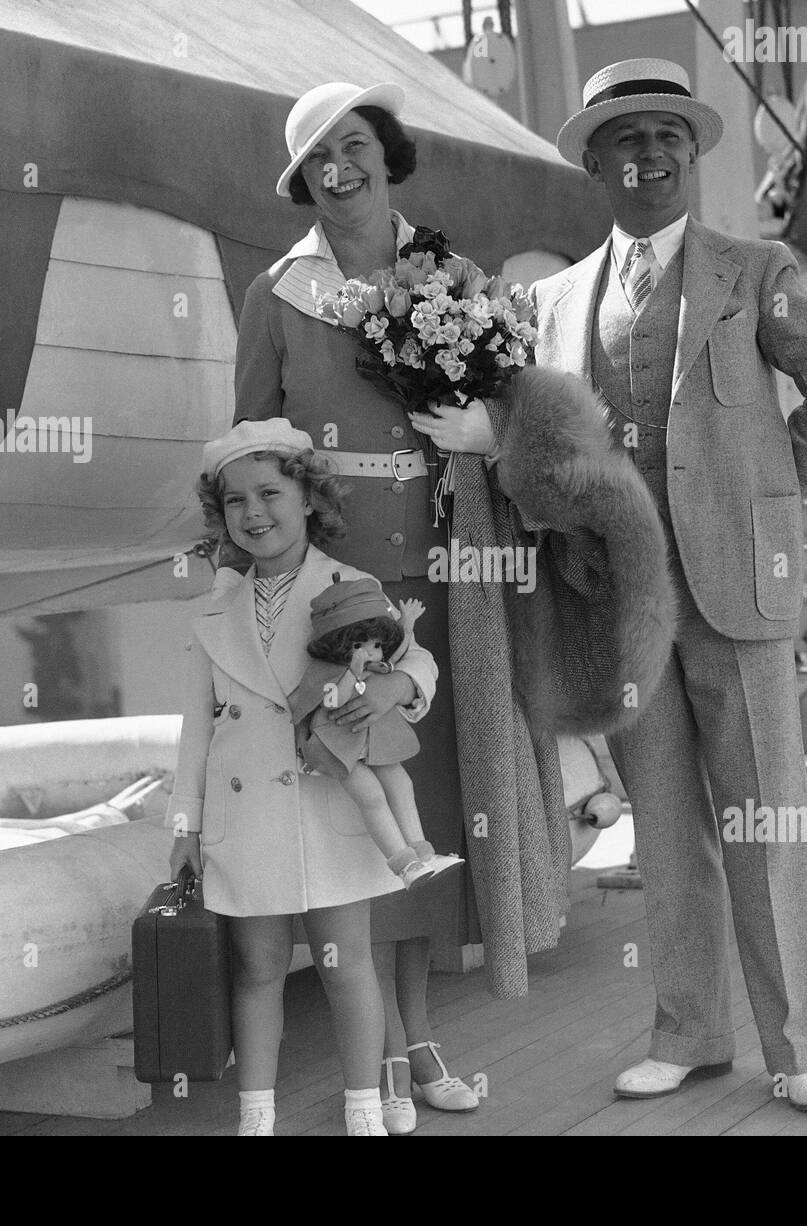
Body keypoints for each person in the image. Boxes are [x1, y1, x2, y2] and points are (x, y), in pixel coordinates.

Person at [531, 58, 807, 1110]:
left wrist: (766, 488)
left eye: (667, 139)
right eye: (626, 139)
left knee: (765, 820)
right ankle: (686, 1030)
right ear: (594, 159)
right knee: (666, 828)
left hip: (740, 587)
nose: (648, 157)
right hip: (622, 604)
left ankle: (803, 1045)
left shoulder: (753, 268)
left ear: (691, 155)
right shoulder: (550, 301)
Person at [232, 81, 487, 1132]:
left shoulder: (453, 277)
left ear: (386, 153)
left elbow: (507, 415)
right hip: (331, 597)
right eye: (314, 161)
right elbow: (245, 454)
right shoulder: (274, 293)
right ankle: (384, 1053)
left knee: (416, 826)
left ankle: (416, 1035)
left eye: (353, 147)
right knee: (349, 829)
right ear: (300, 183)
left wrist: (485, 435)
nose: (337, 170)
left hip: (435, 578)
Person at [166, 419, 441, 1136]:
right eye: (235, 503)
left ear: (308, 497)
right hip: (242, 820)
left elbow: (415, 661)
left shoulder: (350, 587)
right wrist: (184, 827)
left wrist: (397, 689)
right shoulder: (213, 610)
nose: (254, 514)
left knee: (345, 962)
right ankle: (255, 1118)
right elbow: (196, 729)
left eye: (270, 493)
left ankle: (362, 1112)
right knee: (256, 969)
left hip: (326, 806)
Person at [291, 575, 462, 889]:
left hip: (372, 740)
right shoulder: (325, 670)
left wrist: (407, 624)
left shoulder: (379, 665)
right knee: (371, 796)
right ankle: (403, 864)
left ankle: (423, 853)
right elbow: (333, 700)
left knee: (401, 783)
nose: (370, 652)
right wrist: (352, 673)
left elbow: (398, 655)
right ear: (340, 643)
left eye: (376, 645)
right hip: (338, 742)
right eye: (359, 645)